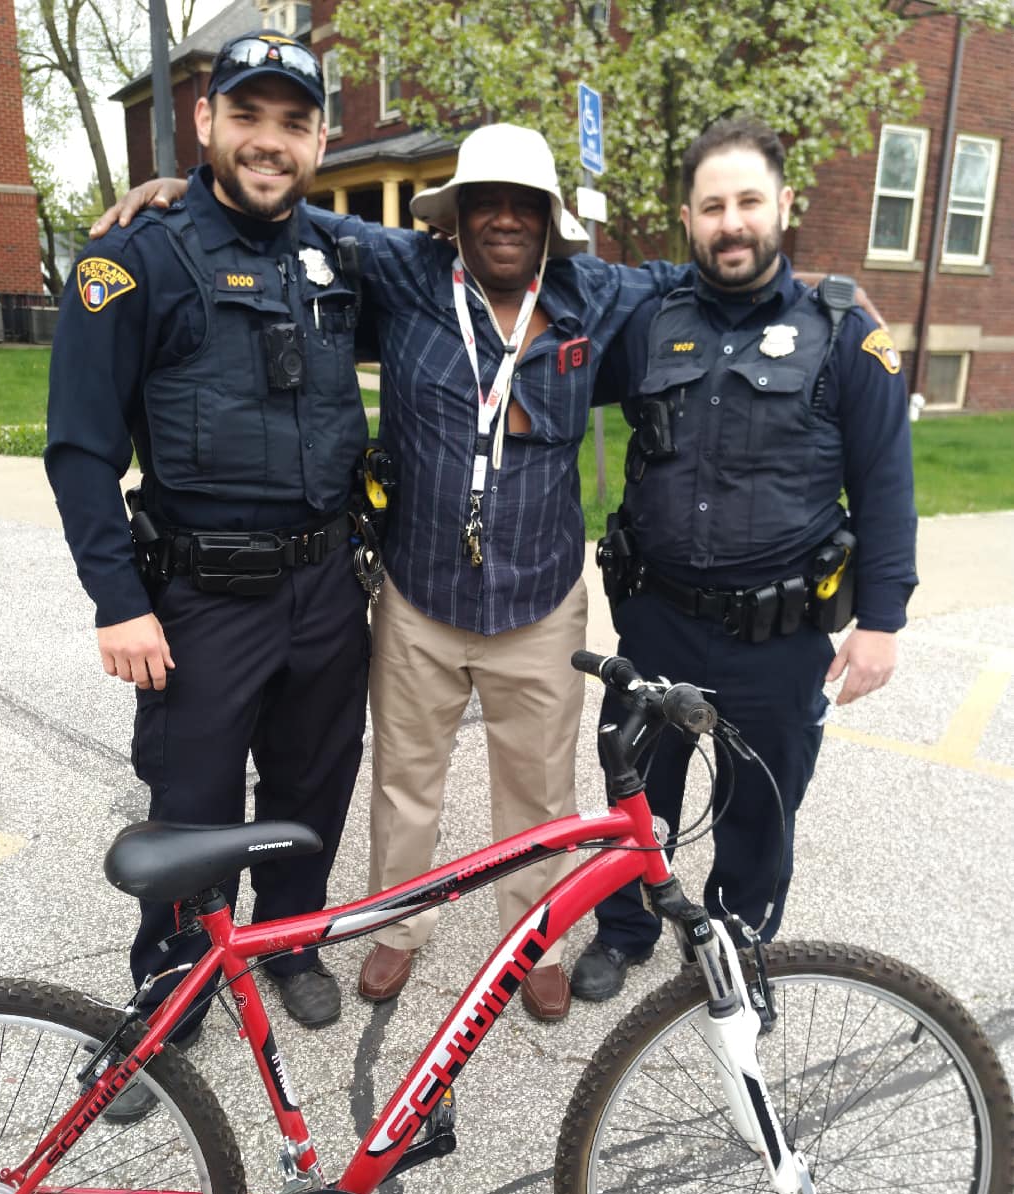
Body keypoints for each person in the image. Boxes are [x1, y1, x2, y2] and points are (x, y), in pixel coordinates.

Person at [100, 123, 689, 1023]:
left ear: (546, 220)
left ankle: (532, 940)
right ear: (453, 216)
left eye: (521, 205)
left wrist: (828, 305)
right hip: (419, 591)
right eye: (483, 201)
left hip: (538, 599)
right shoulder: (407, 270)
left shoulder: (595, 295)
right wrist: (179, 181)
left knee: (536, 789)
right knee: (404, 779)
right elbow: (279, 201)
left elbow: (705, 279)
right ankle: (396, 926)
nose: (502, 219)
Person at [45, 30, 371, 1119]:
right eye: (249, 117)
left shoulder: (339, 252)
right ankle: (168, 994)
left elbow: (470, 270)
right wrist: (118, 599)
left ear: (321, 136)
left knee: (311, 784)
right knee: (189, 807)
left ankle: (288, 942)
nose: (270, 143)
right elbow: (81, 446)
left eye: (293, 122)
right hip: (198, 598)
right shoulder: (132, 259)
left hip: (328, 587)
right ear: (205, 122)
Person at [570, 116, 918, 1002]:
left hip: (778, 634)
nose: (731, 223)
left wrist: (880, 622)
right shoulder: (648, 320)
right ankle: (625, 928)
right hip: (655, 615)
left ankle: (733, 949)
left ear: (783, 207)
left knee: (757, 812)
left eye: (748, 202)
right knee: (634, 789)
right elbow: (544, 320)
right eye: (712, 206)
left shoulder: (844, 330)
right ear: (687, 218)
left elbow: (885, 486)